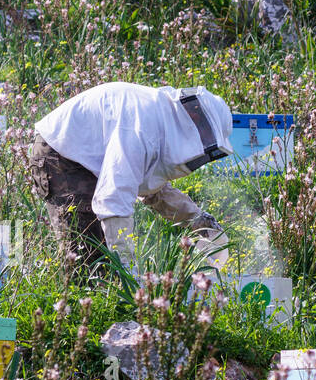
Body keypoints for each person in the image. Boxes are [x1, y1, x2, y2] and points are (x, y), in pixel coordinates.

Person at [28, 82, 233, 277]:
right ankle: (82, 309)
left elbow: (153, 190)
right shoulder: (143, 128)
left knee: (101, 261)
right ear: (195, 115)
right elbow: (114, 199)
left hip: (84, 156)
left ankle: (109, 304)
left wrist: (199, 220)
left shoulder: (161, 121)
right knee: (86, 257)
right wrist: (127, 269)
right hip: (61, 155)